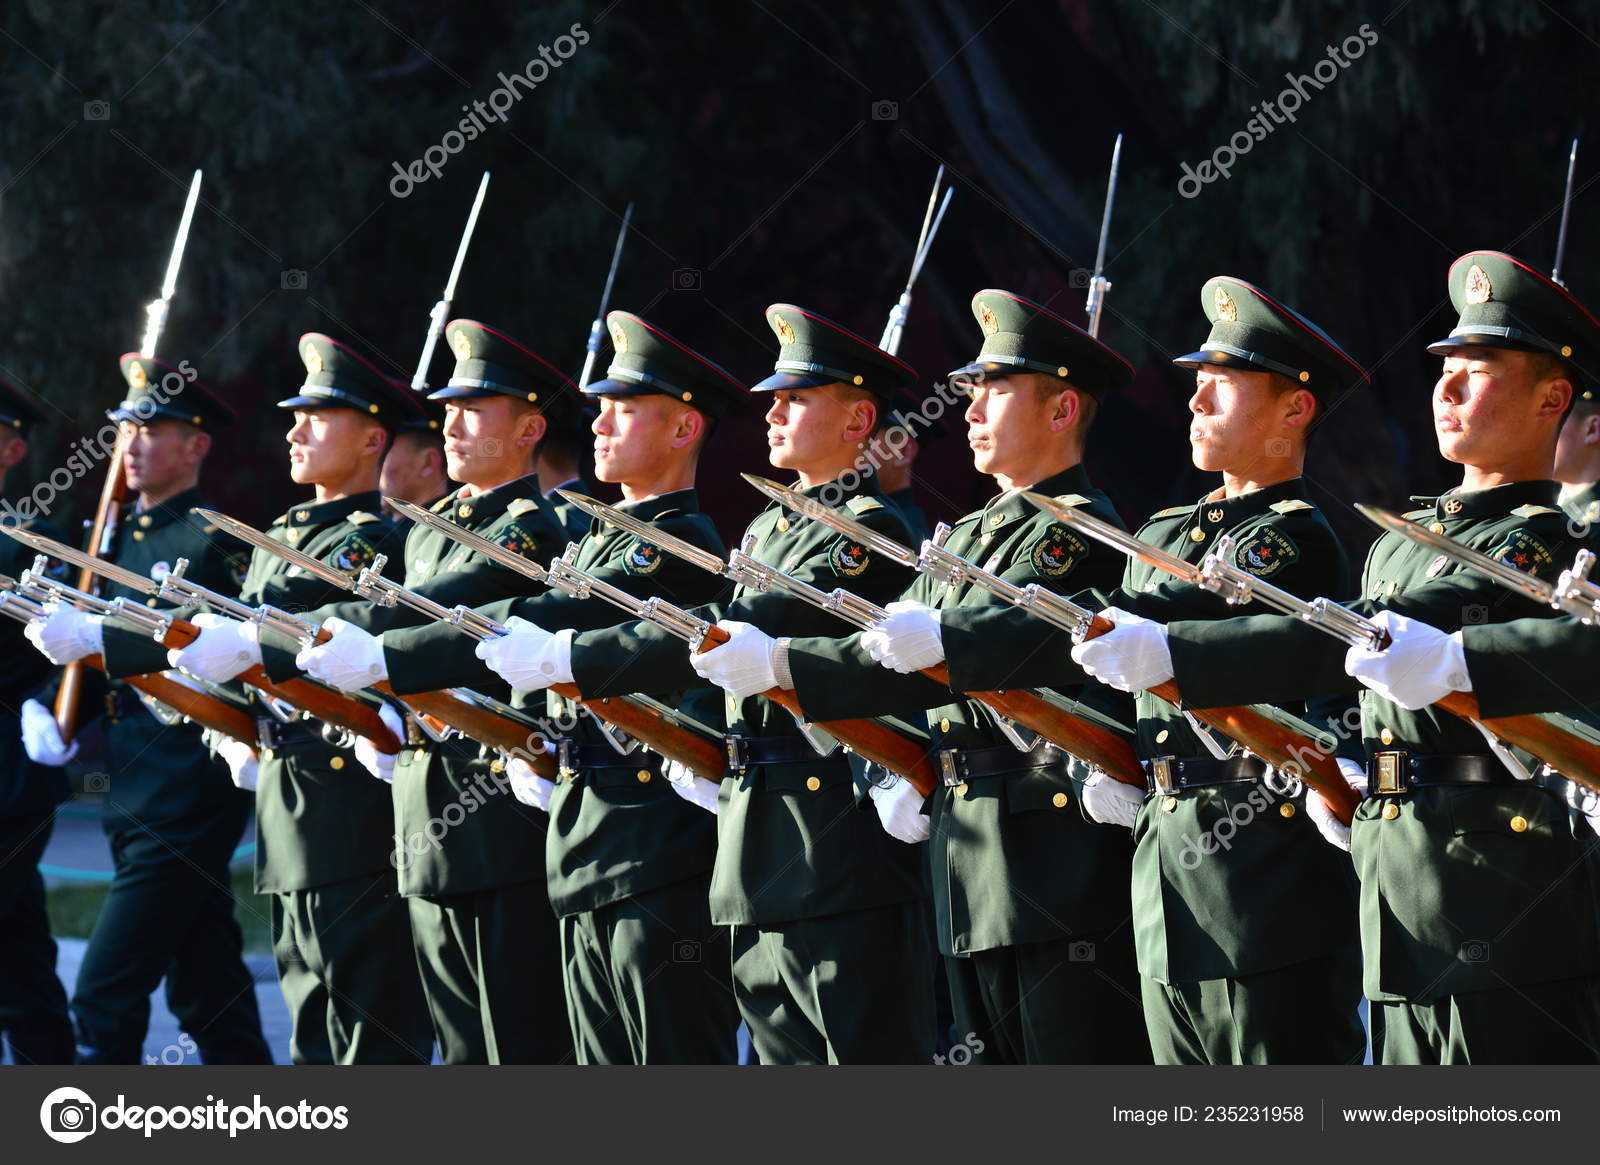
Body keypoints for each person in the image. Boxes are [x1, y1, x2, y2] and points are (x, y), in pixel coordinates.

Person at [1082, 252, 1600, 1063]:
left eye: (1478, 369)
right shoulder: (1404, 545)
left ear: (1551, 398)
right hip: (1394, 895)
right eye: (1445, 367)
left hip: (1498, 903)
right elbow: (1352, 668)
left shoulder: (1548, 541)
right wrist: (1347, 766)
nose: (1447, 388)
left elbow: (1352, 638)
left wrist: (1176, 648)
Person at [886, 281, 1367, 1063]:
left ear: (1294, 410)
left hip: (1260, 882)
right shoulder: (1167, 529)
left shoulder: (1290, 538)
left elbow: (1155, 620)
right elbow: (1100, 628)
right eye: (1197, 380)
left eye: (1225, 382)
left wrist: (954, 636)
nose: (1196, 399)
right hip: (1164, 878)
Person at [474, 304, 939, 1064]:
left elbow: (734, 625)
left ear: (859, 419)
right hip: (755, 854)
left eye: (797, 398)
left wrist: (571, 657)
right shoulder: (771, 530)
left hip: (832, 851)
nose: (775, 410)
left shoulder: (867, 529)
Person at [697, 290, 1151, 1063]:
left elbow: (1029, 641)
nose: (970, 409)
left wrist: (783, 664)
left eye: (994, 389)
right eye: (971, 390)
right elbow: (887, 655)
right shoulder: (970, 536)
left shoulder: (1078, 530)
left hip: (1052, 863)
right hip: (967, 858)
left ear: (1062, 408)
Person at [379, 312, 746, 1062]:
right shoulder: (603, 537)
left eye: (623, 408)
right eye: (600, 406)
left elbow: (536, 616)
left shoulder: (676, 545)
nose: (599, 423)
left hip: (652, 844)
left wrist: (385, 654)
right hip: (589, 838)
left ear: (683, 430)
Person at [284, 319, 574, 1063]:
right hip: (423, 811)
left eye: (473, 410)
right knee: (460, 1050)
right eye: (447, 408)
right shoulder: (428, 526)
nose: (450, 423)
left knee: (519, 1047)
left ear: (529, 429)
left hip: (497, 818)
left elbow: (427, 613)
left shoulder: (528, 529)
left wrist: (272, 635)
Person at [162, 334, 435, 1063]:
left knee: (370, 1037)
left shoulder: (365, 542)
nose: (294, 430)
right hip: (290, 806)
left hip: (350, 812)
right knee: (313, 1032)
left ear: (374, 438)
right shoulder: (285, 533)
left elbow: (273, 632)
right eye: (295, 415)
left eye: (318, 417)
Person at [22, 354, 270, 1064]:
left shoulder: (214, 542)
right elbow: (98, 660)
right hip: (131, 796)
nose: (132, 446)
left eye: (153, 430)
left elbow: (225, 662)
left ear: (196, 445)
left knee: (103, 994)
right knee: (207, 986)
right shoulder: (112, 539)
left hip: (186, 794)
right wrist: (51, 705)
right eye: (127, 430)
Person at [0, 380, 76, 1065]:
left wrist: (46, 700)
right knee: (17, 946)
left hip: (7, 773)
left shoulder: (32, 547)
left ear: (13, 449)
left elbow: (76, 647)